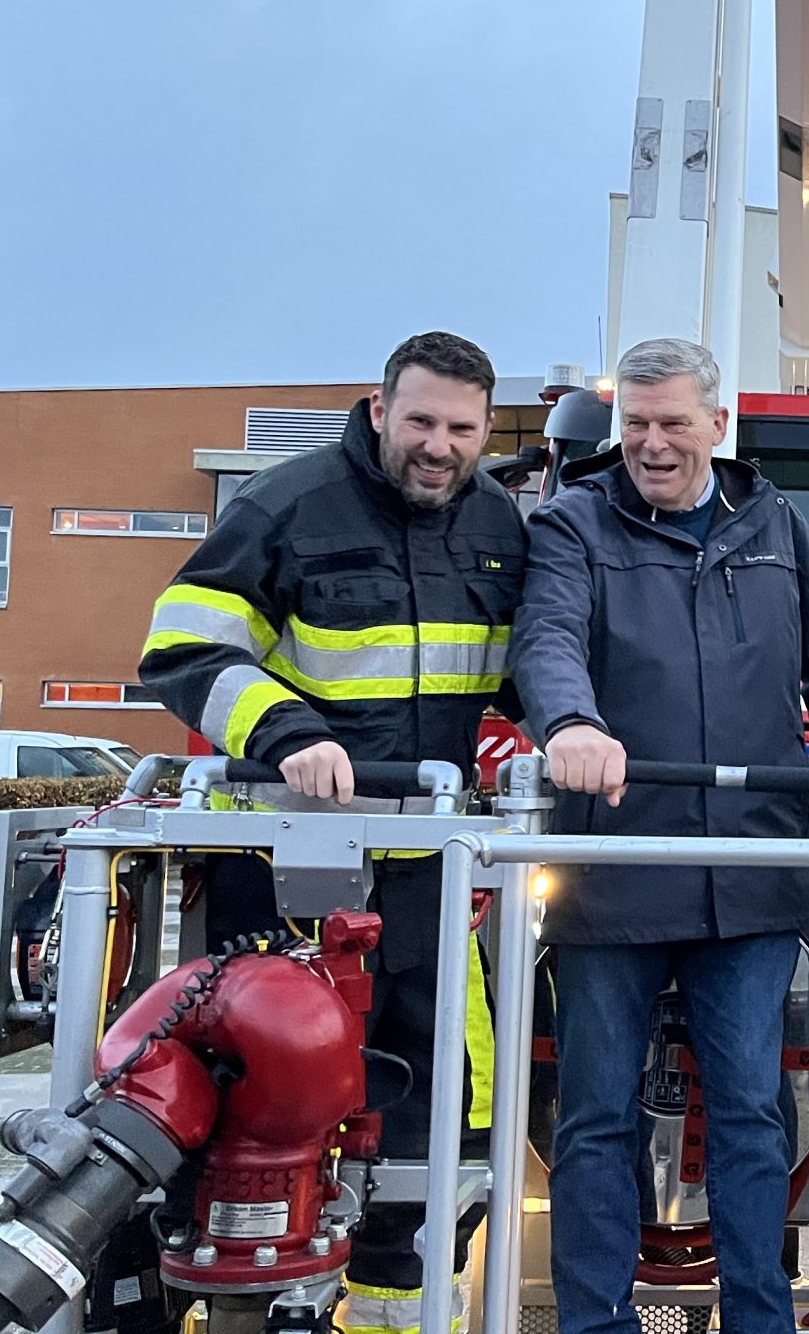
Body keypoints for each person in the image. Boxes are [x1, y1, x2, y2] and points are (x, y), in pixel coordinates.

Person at [138, 331, 526, 1334]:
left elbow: (530, 672)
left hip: (432, 872)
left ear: (485, 432)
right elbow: (183, 644)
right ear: (379, 408)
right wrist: (284, 731)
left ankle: (396, 1310)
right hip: (284, 868)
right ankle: (232, 1306)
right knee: (258, 1096)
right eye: (422, 422)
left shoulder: (495, 523)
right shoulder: (288, 503)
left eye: (461, 429)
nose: (438, 446)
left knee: (437, 1096)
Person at [510, 338, 809, 1334]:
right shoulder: (571, 525)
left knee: (751, 1117)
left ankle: (758, 1320)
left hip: (748, 875)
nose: (652, 445)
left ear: (716, 426)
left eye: (673, 424)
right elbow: (548, 637)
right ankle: (596, 1324)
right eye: (637, 426)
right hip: (611, 873)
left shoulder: (778, 526)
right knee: (596, 1119)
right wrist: (569, 723)